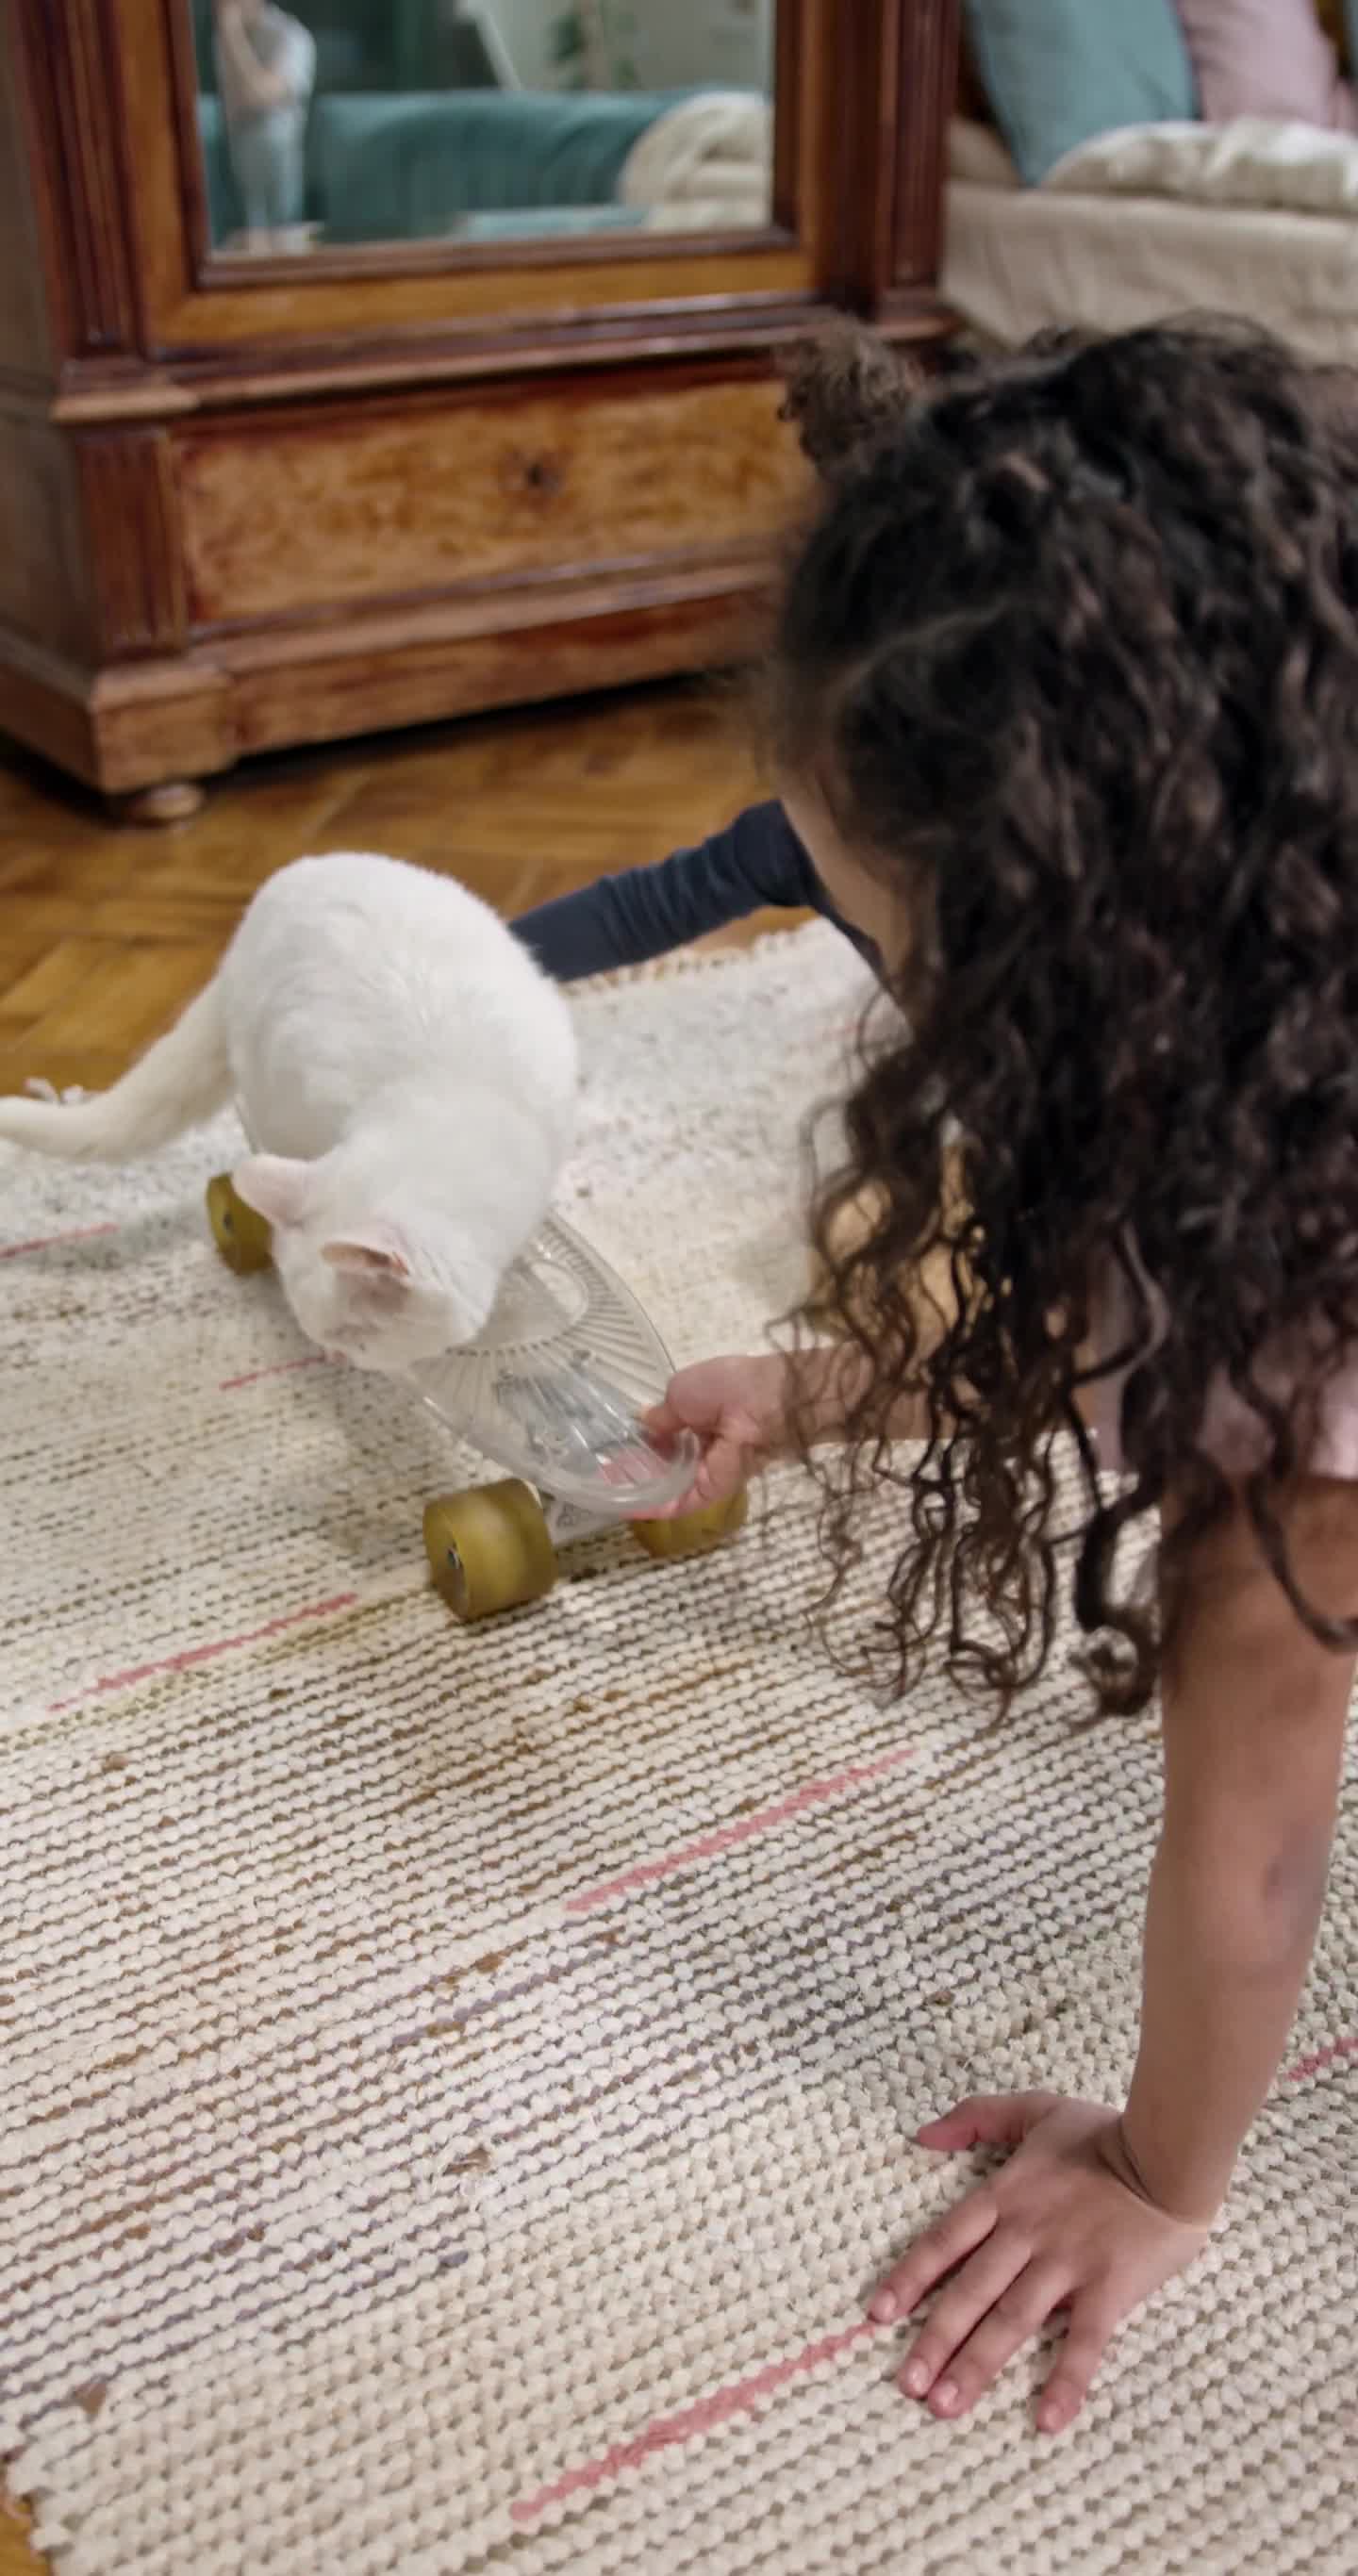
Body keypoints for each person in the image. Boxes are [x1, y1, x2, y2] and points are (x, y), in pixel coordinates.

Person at [622, 319, 1358, 2436]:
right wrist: (818, 1380)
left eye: (911, 949)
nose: (895, 1009)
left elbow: (1266, 1819)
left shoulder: (1309, 1278)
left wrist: (1157, 2166)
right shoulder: (1267, 964)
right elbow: (1092, 1293)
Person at [214, 0, 316, 252]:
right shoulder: (223, 38)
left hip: (278, 156)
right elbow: (232, 107)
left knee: (267, 135)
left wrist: (231, 32)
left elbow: (256, 95)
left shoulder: (292, 36)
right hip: (232, 154)